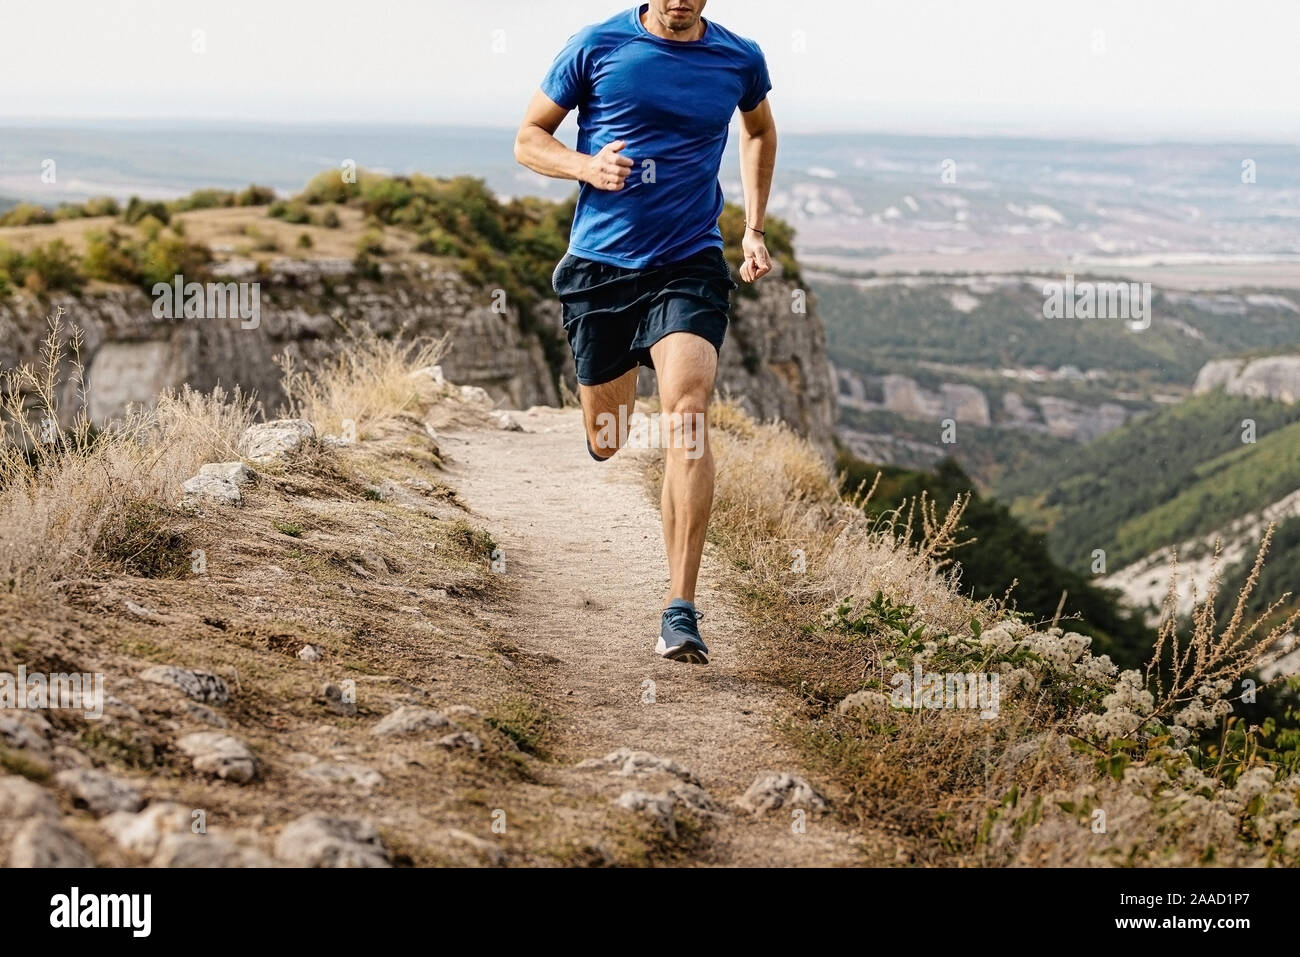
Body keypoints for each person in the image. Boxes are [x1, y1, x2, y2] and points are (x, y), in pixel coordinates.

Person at [514, 1, 777, 664]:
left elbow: (758, 132)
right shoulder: (597, 45)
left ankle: (680, 609)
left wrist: (752, 227)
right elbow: (528, 138)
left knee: (688, 410)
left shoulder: (738, 57)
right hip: (601, 270)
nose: (680, 1)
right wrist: (585, 167)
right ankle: (609, 418)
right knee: (609, 438)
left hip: (688, 262)